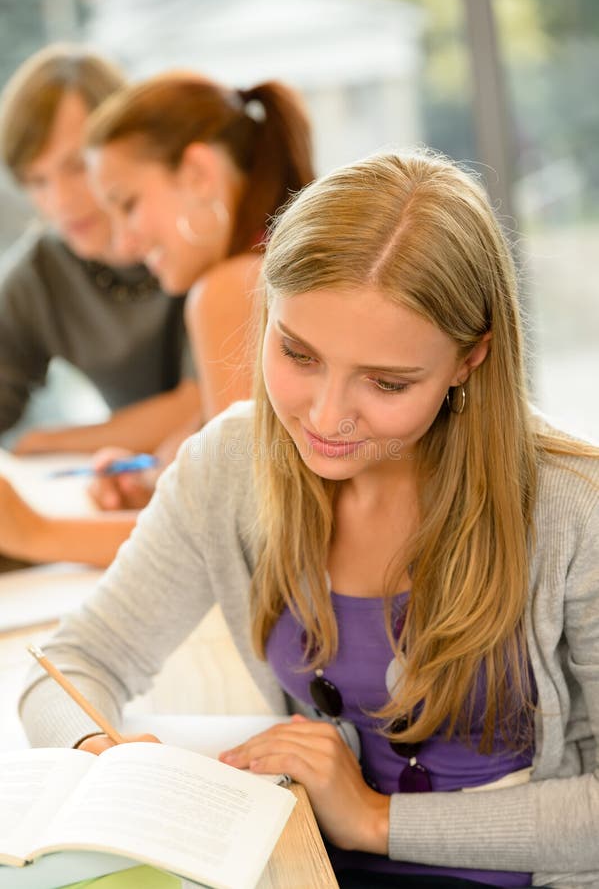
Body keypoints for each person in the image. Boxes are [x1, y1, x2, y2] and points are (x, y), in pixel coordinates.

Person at [19, 150, 599, 889]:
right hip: (303, 870)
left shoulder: (573, 508)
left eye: (387, 383)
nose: (326, 418)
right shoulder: (227, 466)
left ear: (469, 359)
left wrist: (372, 820)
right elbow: (71, 666)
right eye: (297, 352)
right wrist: (102, 758)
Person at [0, 67, 314, 566]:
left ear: (198, 174)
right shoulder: (274, 267)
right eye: (37, 181)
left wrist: (36, 533)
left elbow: (241, 536)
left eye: (126, 204)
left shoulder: (230, 289)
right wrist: (160, 481)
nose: (121, 242)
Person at [0, 44, 197, 455]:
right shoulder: (38, 274)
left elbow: (211, 405)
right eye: (37, 181)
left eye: (77, 166)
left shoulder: (199, 238)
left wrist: (47, 442)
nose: (61, 202)